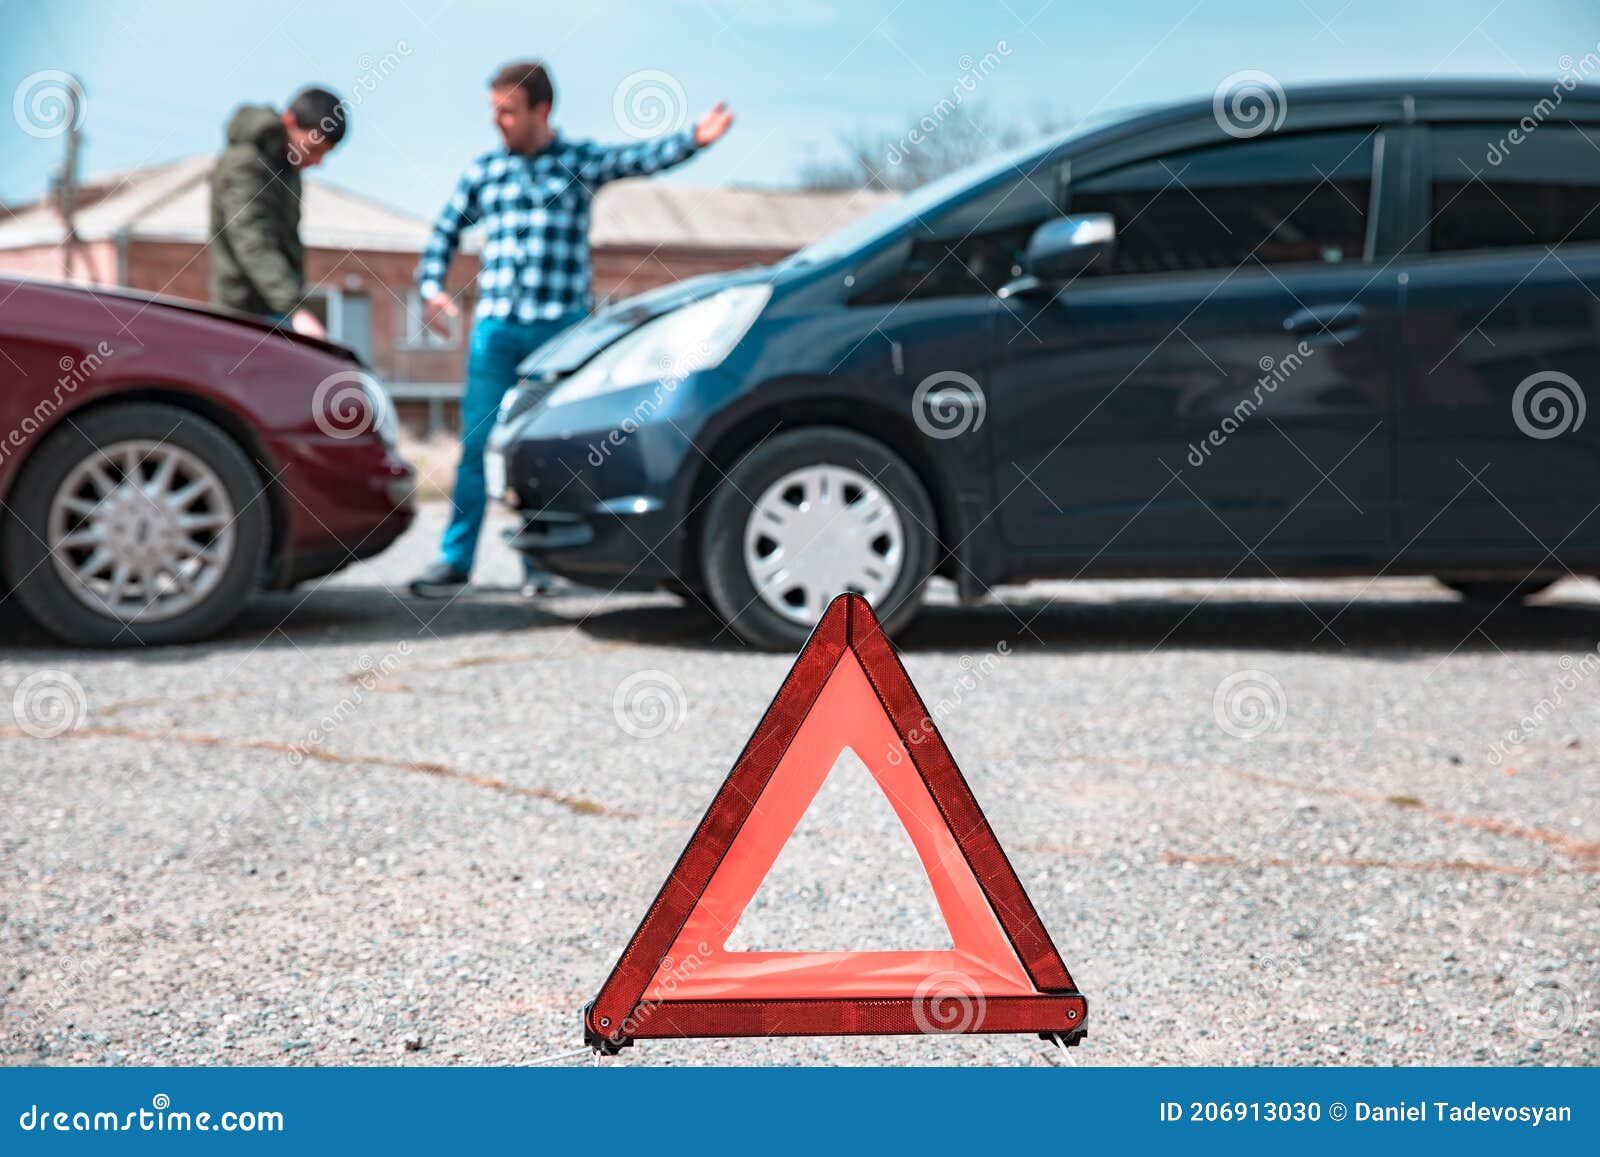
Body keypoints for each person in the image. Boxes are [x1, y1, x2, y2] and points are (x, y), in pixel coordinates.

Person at [407, 60, 733, 599]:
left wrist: (693, 140)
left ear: (541, 109)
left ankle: (542, 563)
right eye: (493, 112)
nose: (499, 122)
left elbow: (638, 158)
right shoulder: (485, 171)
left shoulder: (577, 163)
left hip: (560, 331)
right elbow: (444, 231)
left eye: (508, 111)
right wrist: (430, 288)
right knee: (476, 446)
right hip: (497, 329)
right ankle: (454, 560)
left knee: (549, 449)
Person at [208, 86, 348, 336]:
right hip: (243, 313)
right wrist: (296, 311)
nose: (317, 162)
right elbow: (252, 241)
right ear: (289, 121)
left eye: (324, 155)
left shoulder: (287, 168)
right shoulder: (246, 163)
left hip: (276, 308)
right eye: (314, 149)